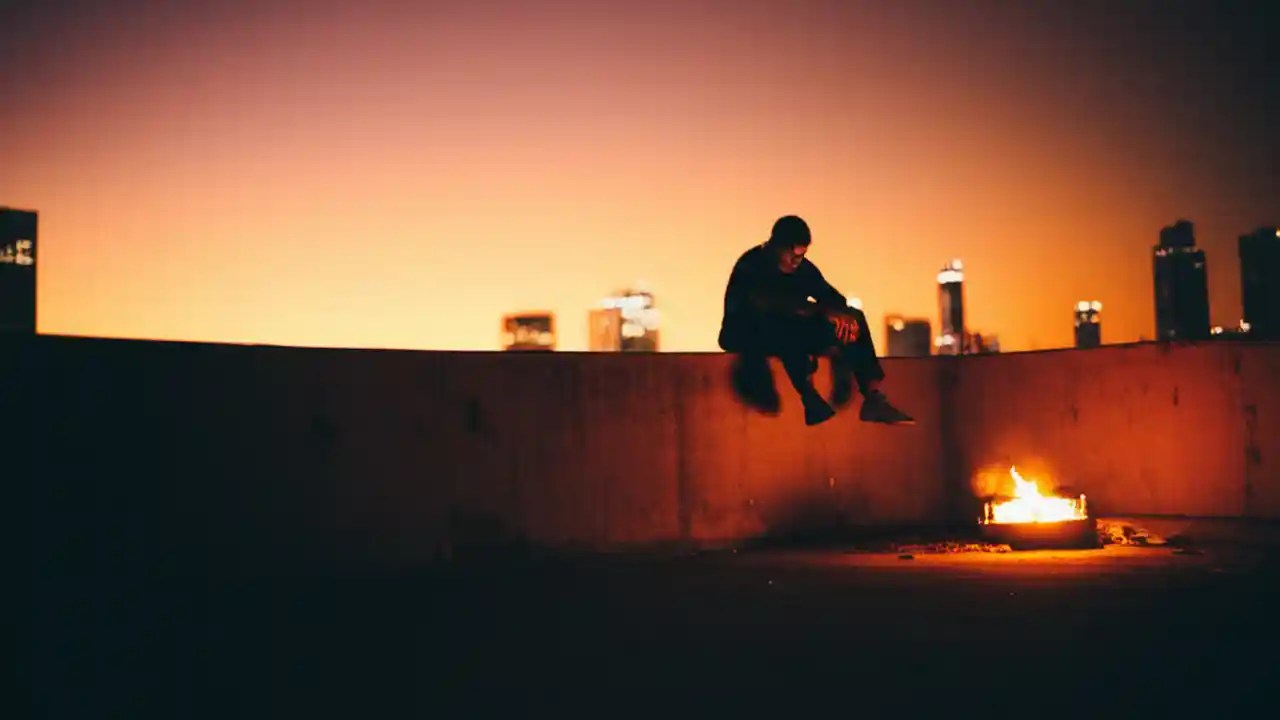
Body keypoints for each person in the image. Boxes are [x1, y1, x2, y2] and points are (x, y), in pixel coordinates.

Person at [718, 215, 914, 426]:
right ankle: (808, 395)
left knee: (853, 317)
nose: (796, 261)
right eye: (792, 255)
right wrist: (820, 310)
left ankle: (873, 397)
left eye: (801, 256)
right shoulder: (752, 264)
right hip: (748, 332)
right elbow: (767, 303)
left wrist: (843, 318)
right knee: (788, 324)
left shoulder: (803, 269)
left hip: (790, 332)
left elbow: (833, 298)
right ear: (776, 247)